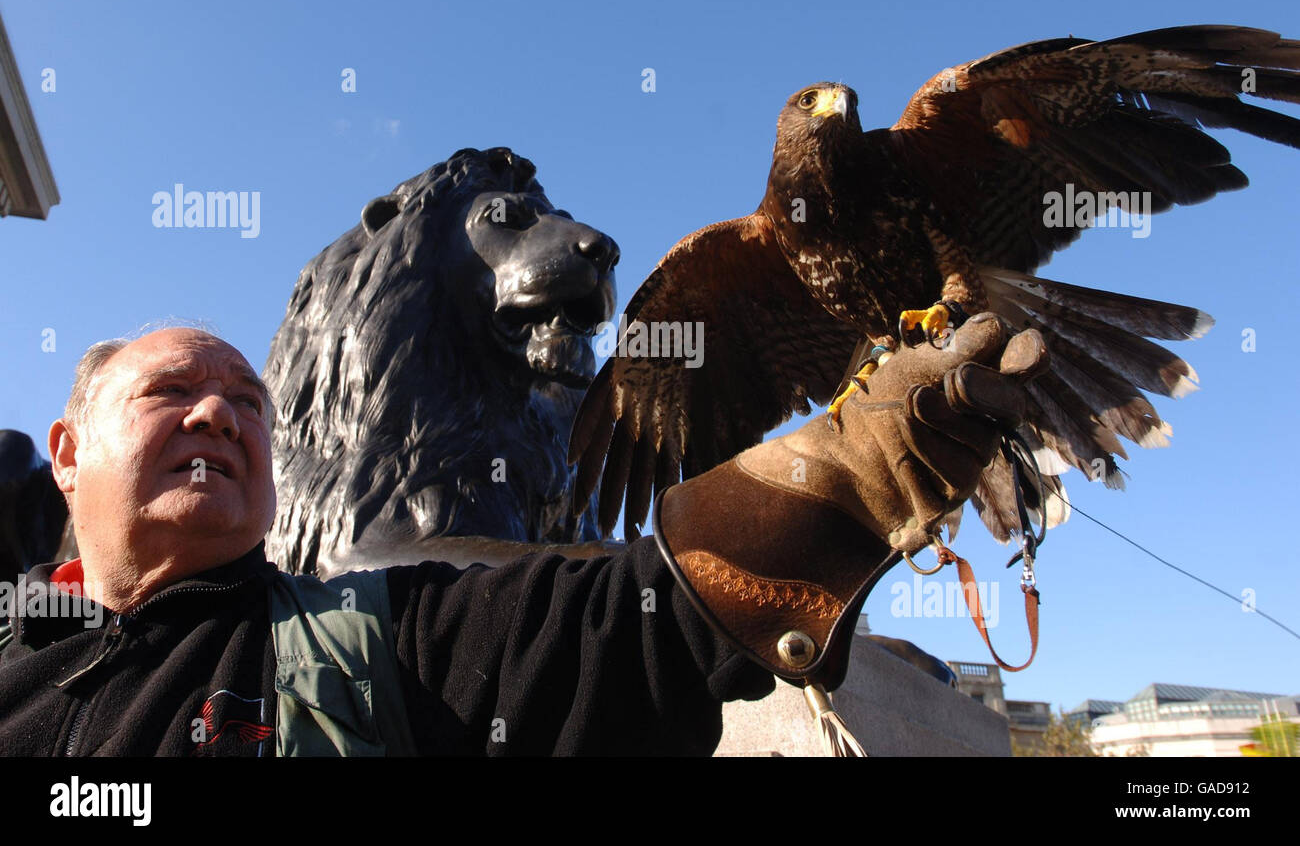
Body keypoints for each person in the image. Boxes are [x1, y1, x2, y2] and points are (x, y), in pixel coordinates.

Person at [0, 316, 1045, 755]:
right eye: (172, 390)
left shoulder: (374, 642)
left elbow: (631, 616)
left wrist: (862, 462)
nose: (219, 415)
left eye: (245, 401)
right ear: (67, 449)